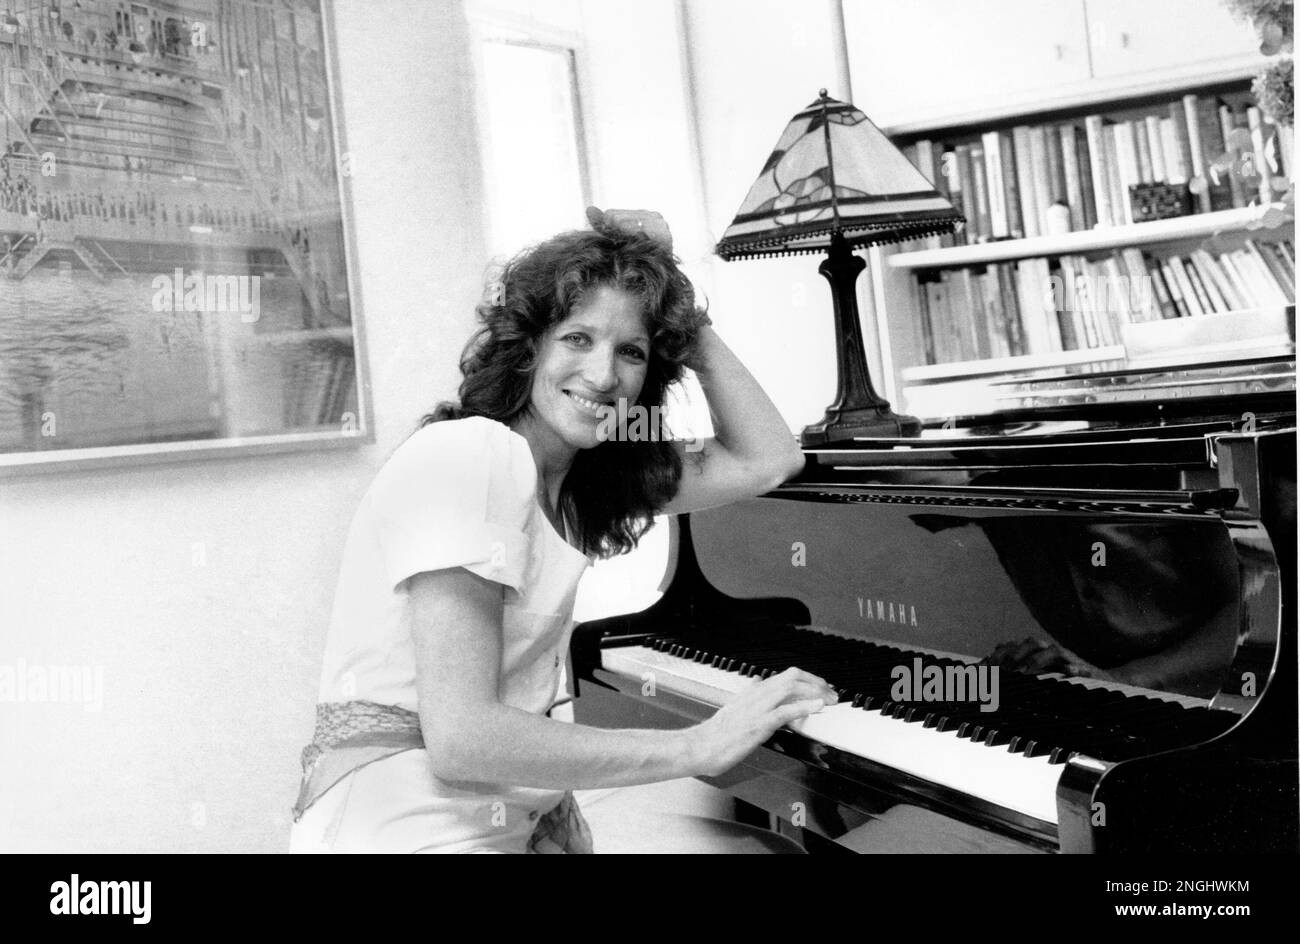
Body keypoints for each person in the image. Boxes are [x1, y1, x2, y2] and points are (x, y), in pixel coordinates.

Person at [289, 208, 836, 854]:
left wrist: (679, 303)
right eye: (578, 339)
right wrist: (697, 746)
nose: (604, 376)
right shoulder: (473, 455)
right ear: (529, 346)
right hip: (403, 830)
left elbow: (769, 458)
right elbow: (463, 739)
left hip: (487, 820)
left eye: (630, 352)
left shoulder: (580, 488)